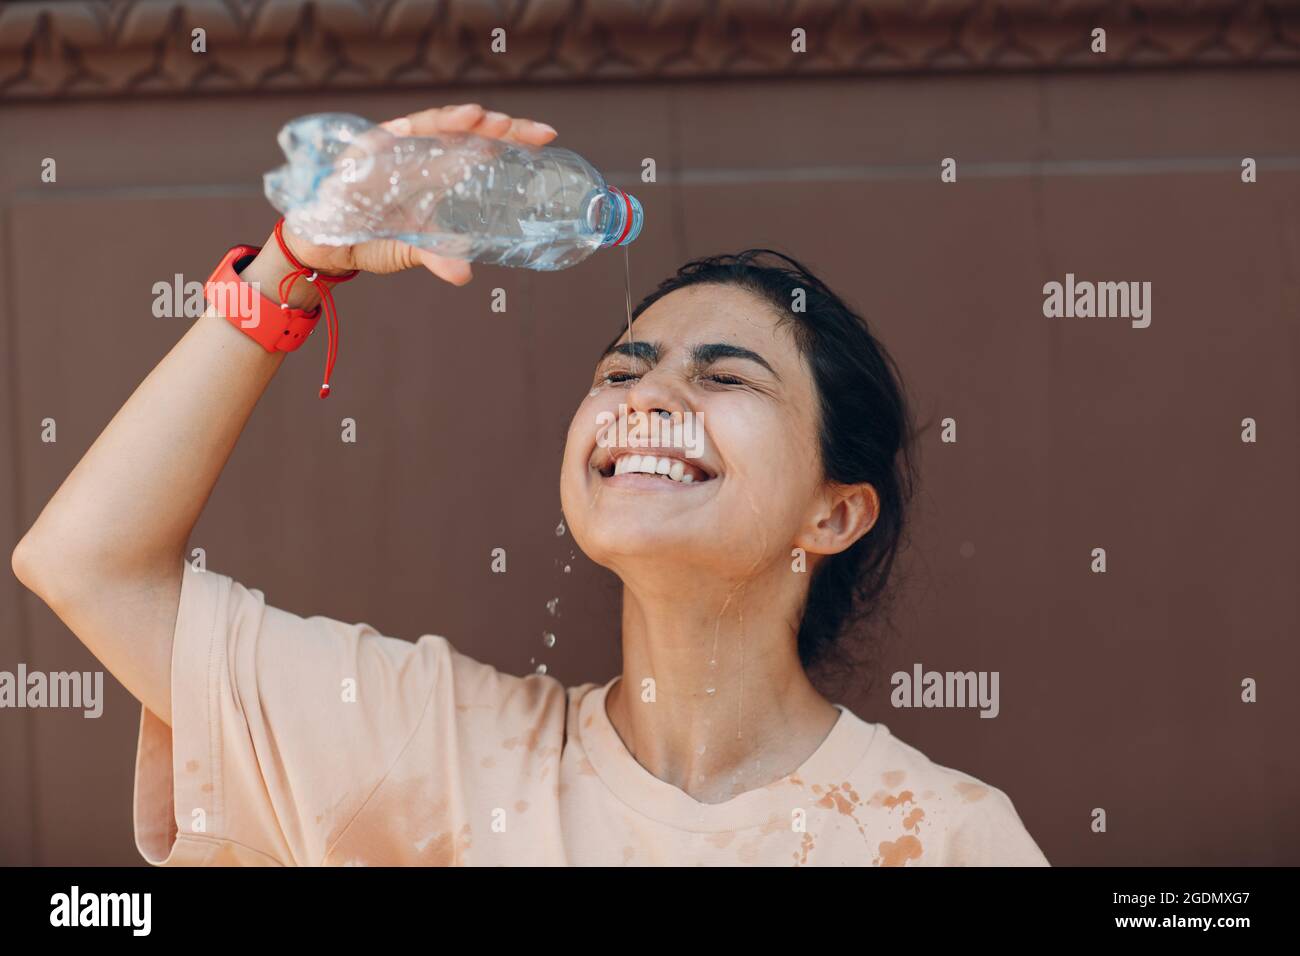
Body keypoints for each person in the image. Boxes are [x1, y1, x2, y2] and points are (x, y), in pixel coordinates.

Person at [12, 103, 1048, 867]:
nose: (646, 396)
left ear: (834, 511)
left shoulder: (944, 834)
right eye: (620, 370)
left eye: (724, 375)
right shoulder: (437, 743)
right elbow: (81, 564)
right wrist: (297, 262)